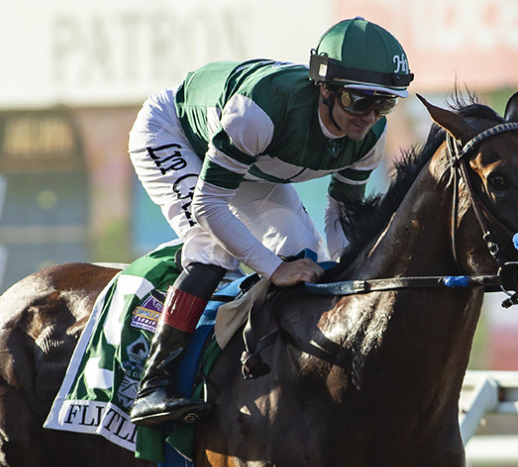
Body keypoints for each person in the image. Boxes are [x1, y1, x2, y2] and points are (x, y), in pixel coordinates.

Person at [127, 17, 413, 425]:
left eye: (383, 103)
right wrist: (273, 269)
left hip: (249, 163)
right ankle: (154, 383)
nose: (369, 116)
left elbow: (341, 216)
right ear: (326, 90)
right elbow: (210, 204)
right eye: (358, 101)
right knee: (213, 249)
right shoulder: (259, 112)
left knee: (308, 258)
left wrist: (353, 275)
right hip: (174, 133)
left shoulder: (370, 137)